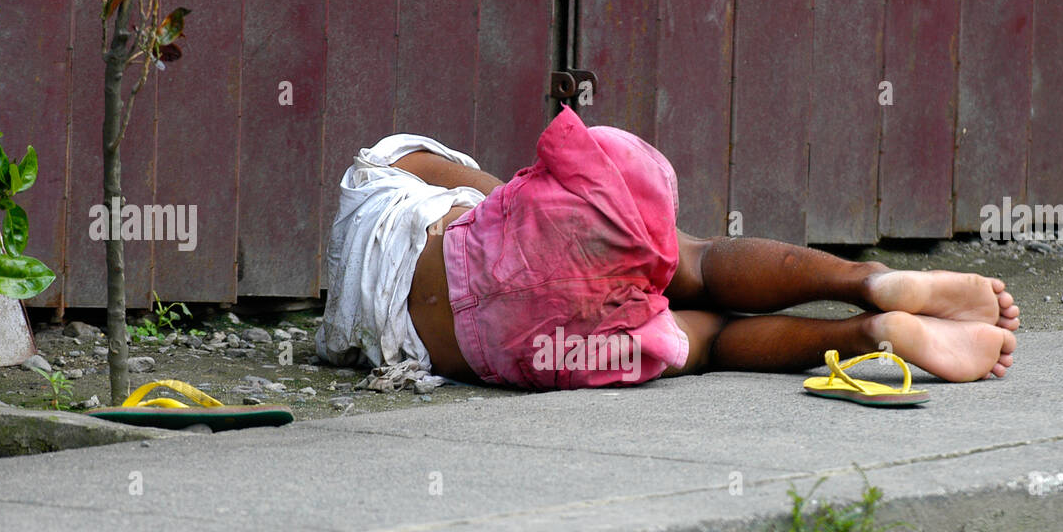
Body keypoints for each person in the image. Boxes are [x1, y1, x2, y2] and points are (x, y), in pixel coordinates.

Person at [317, 105, 1017, 390]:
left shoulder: (350, 322)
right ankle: (868, 281)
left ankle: (874, 334)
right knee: (700, 262)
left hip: (507, 346)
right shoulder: (384, 169)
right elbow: (494, 192)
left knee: (706, 341)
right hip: (524, 237)